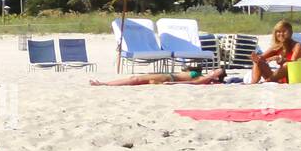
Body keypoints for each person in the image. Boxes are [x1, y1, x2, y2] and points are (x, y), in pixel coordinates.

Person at [250, 19, 301, 84]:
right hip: (279, 79)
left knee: (287, 64)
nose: (281, 34)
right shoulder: (277, 47)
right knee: (259, 61)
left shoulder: (297, 46)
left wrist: (282, 59)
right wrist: (256, 59)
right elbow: (261, 57)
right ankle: (253, 83)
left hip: (295, 78)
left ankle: (267, 81)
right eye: (278, 31)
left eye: (284, 31)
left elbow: (294, 64)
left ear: (291, 32)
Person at [90, 67, 227, 86]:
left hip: (168, 78)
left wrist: (172, 84)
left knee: (135, 79)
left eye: (217, 72)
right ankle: (105, 83)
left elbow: (190, 83)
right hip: (167, 77)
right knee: (135, 79)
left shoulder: (205, 79)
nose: (214, 70)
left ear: (216, 78)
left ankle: (104, 84)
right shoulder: (204, 75)